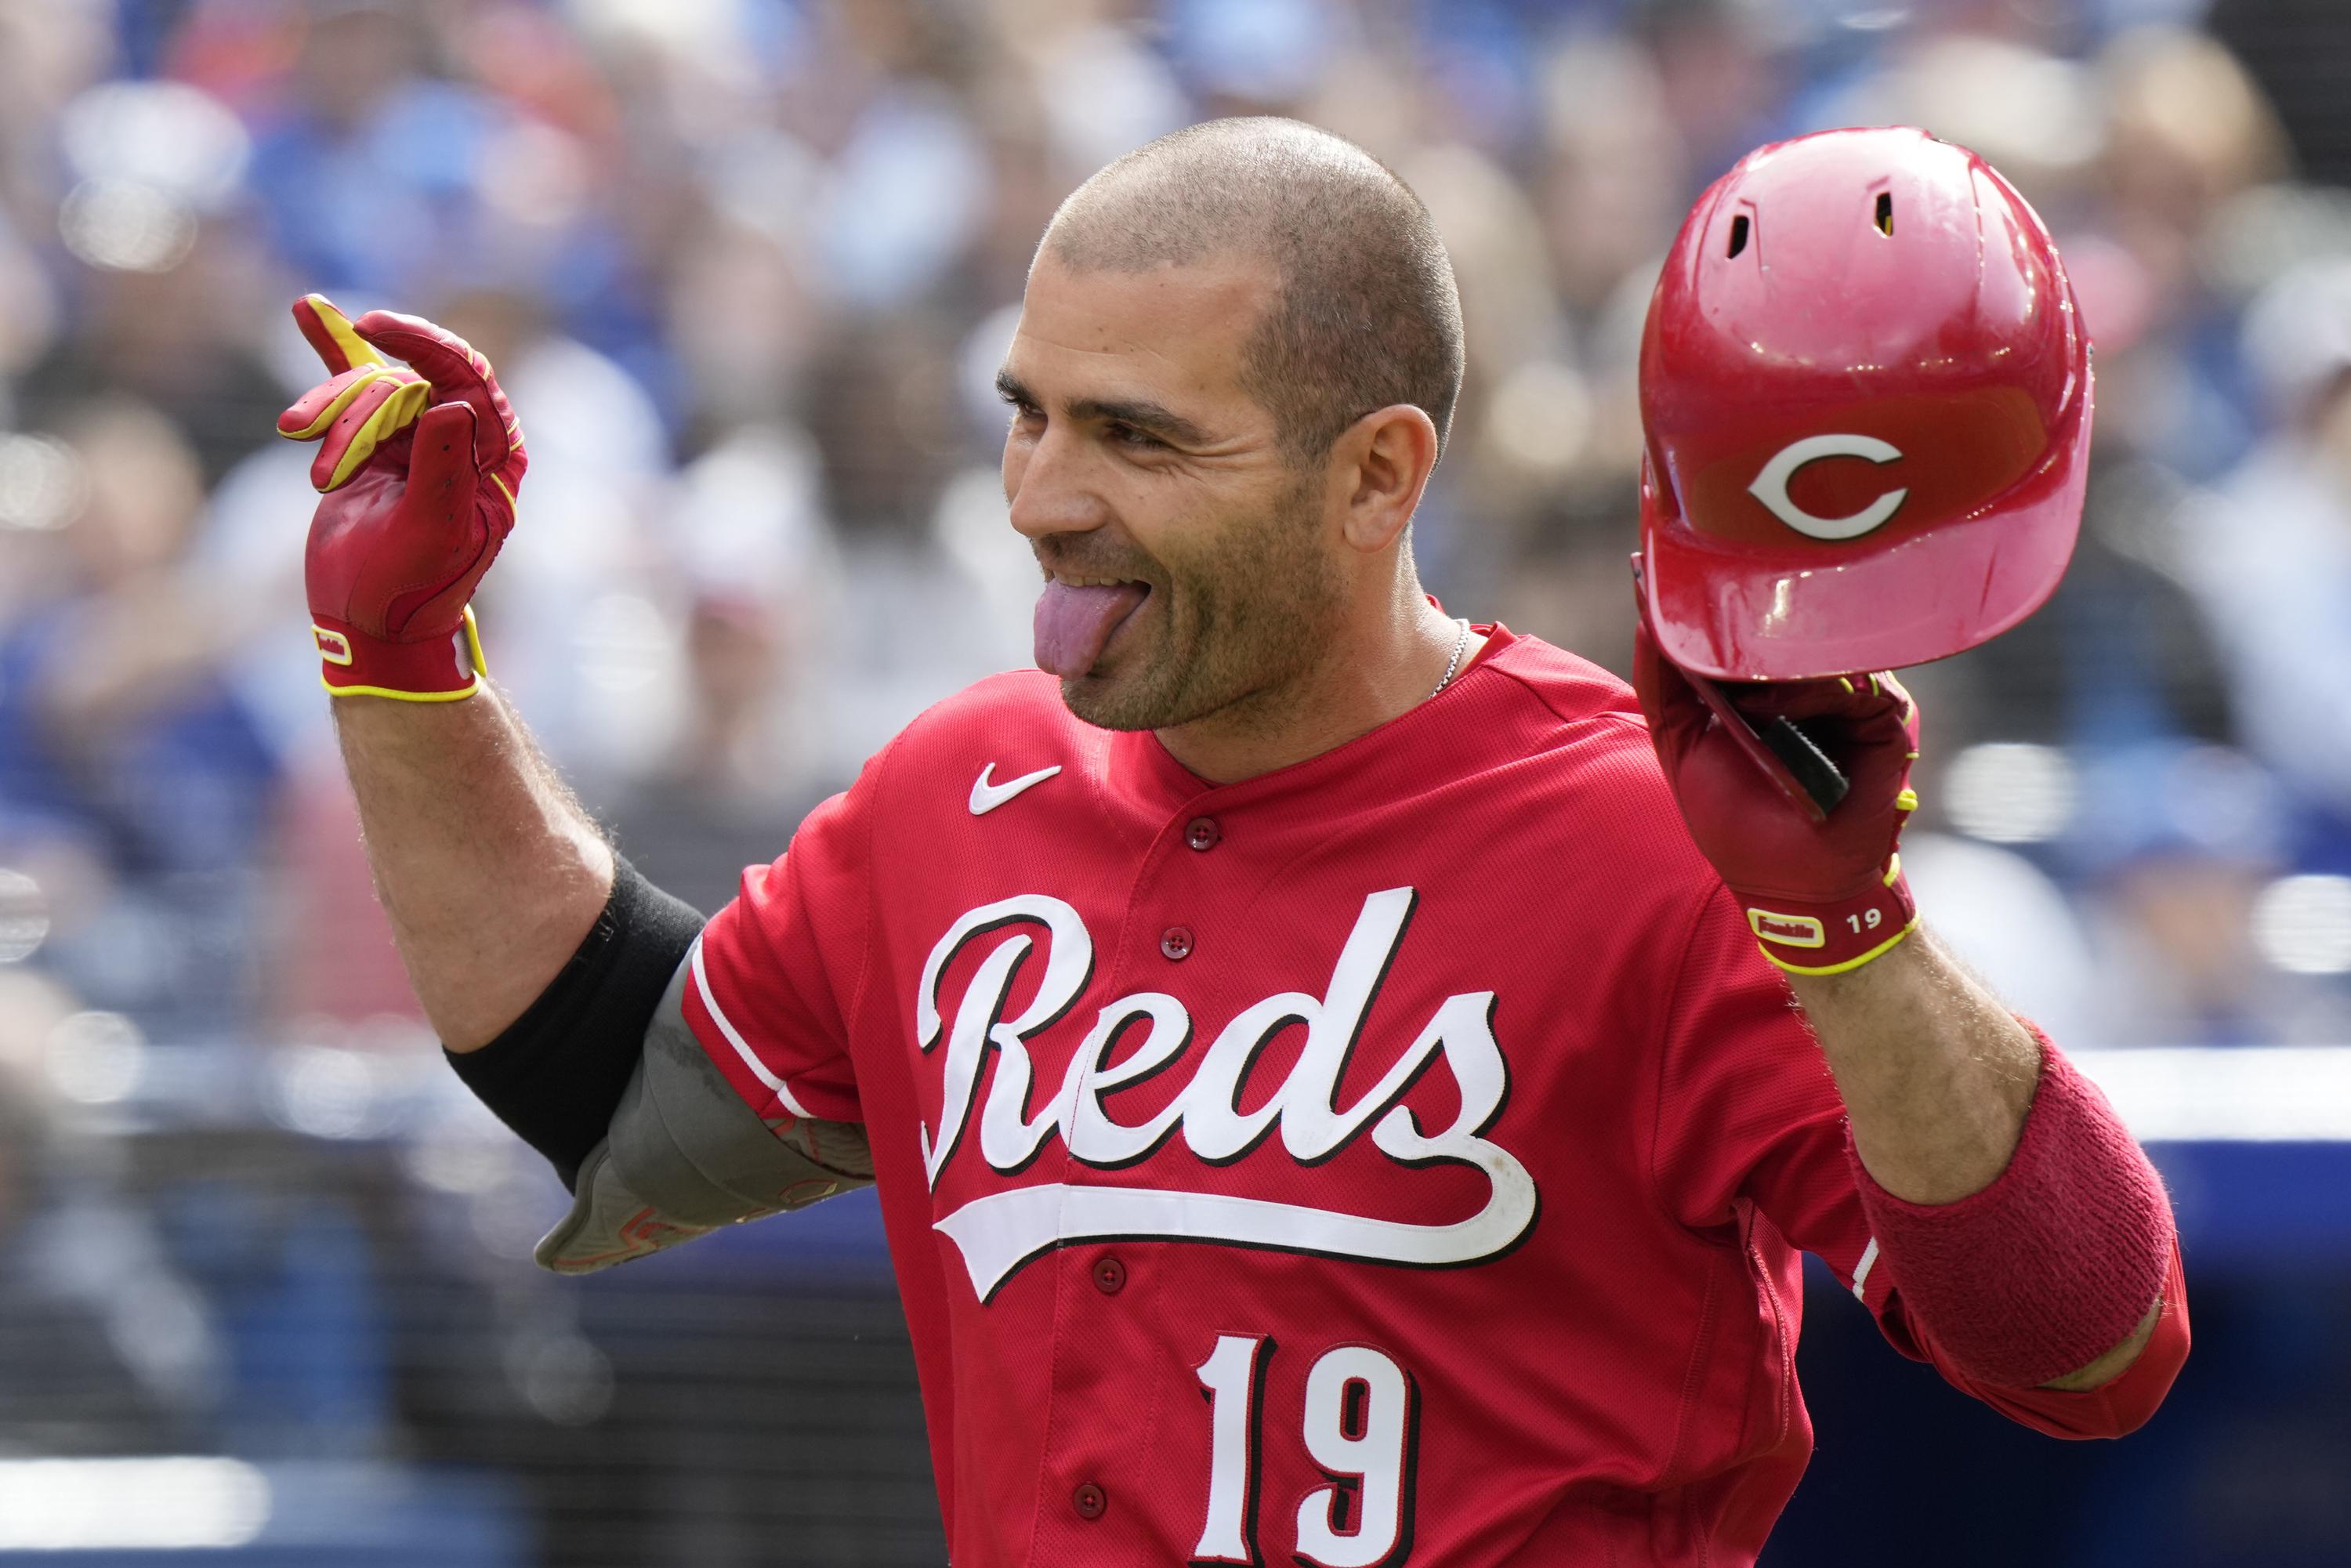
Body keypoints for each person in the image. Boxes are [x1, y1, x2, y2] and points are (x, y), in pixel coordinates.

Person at [278, 118, 2187, 1567]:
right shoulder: (954, 795)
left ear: (1378, 475)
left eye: (1134, 435)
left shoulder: (1661, 834)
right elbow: (610, 1081)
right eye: (1026, 415)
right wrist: (401, 661)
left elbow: (2092, 1345)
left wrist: (1846, 932)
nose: (1040, 496)